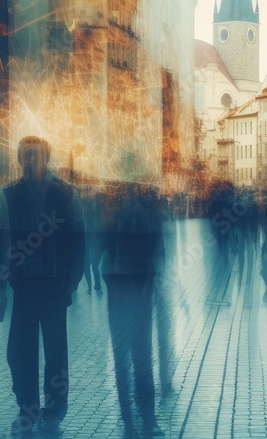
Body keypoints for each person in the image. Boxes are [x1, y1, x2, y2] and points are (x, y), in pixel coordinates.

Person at [0, 137, 84, 436]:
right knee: (20, 349)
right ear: (19, 159)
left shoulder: (66, 194)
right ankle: (27, 407)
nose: (31, 160)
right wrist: (0, 282)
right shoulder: (7, 195)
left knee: (56, 349)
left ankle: (55, 407)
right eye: (27, 155)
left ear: (47, 158)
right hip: (25, 284)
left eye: (37, 155)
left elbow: (78, 238)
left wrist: (73, 278)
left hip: (54, 283)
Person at [101, 182, 165, 438]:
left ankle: (135, 419)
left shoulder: (122, 216)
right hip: (132, 293)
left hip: (128, 294)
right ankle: (143, 418)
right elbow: (153, 255)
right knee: (138, 357)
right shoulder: (134, 216)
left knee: (129, 358)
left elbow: (103, 257)